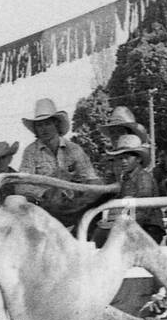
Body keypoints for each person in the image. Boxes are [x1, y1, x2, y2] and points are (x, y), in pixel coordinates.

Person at [15, 97, 102, 227]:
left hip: (74, 206)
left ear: (56, 124)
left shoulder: (74, 149)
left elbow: (91, 178)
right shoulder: (31, 151)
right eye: (39, 125)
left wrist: (84, 191)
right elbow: (21, 186)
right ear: (35, 129)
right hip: (45, 209)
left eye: (47, 123)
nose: (44, 129)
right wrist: (43, 193)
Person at [100, 132, 164, 244]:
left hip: (149, 228)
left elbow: (144, 209)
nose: (123, 162)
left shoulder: (144, 177)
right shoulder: (125, 179)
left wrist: (122, 227)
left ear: (138, 159)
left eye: (127, 158)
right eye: (120, 158)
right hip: (134, 226)